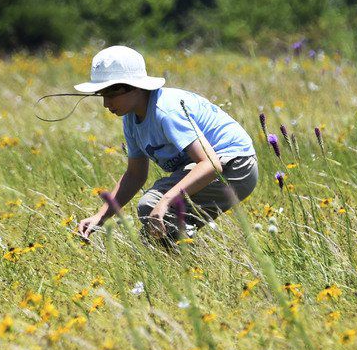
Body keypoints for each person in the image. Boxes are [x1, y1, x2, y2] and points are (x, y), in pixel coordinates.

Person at [75, 46, 258, 243]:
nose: (105, 104)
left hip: (236, 166)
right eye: (101, 95)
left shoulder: (165, 111)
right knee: (150, 240)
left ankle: (187, 254)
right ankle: (183, 260)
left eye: (110, 95)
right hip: (216, 165)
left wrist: (166, 201)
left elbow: (211, 164)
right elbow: (135, 175)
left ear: (133, 87)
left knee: (152, 206)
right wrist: (100, 217)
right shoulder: (130, 119)